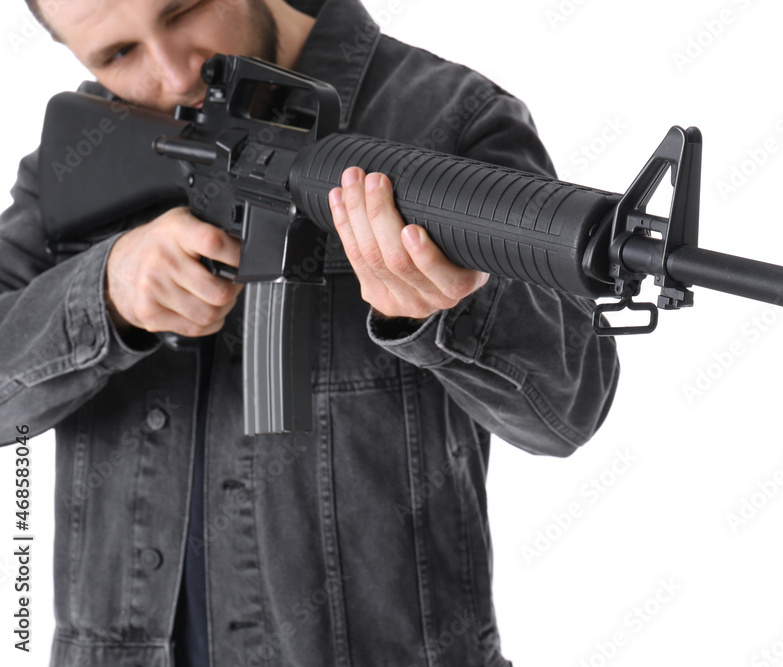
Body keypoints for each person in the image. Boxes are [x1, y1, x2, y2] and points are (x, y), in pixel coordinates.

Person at [0, 0, 620, 665]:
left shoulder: (446, 122)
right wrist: (106, 291)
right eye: (117, 55)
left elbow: (566, 407)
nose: (175, 73)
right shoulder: (80, 158)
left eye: (183, 10)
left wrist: (451, 308)